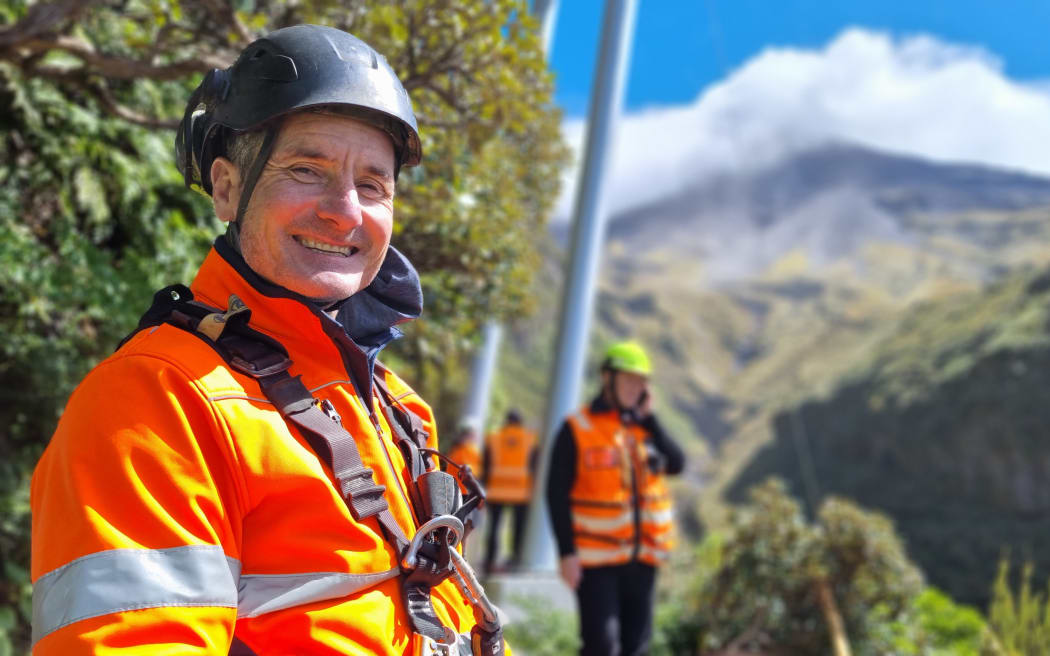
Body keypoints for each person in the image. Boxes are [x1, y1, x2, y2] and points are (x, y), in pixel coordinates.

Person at [31, 24, 505, 656]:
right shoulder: (158, 401)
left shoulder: (396, 408)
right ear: (227, 188)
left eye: (372, 185)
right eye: (306, 170)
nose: (345, 210)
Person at [546, 341, 685, 656]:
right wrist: (567, 553)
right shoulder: (577, 428)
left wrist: (653, 421)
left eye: (643, 382)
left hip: (644, 558)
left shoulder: (646, 430)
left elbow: (677, 464)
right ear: (608, 379)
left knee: (637, 648)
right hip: (596, 562)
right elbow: (555, 494)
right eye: (630, 379)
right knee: (601, 646)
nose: (638, 388)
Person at [481, 409, 537, 574]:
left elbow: (486, 465)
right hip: (521, 492)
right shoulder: (530, 439)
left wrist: (484, 486)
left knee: (494, 528)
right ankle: (514, 560)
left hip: (496, 490)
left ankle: (490, 561)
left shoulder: (494, 438)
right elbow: (535, 465)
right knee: (518, 529)